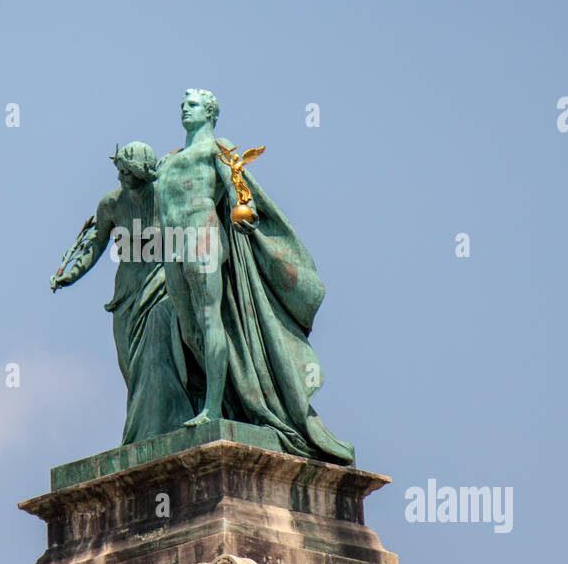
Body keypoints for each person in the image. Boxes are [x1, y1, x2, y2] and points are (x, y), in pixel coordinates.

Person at [155, 89, 354, 465]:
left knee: (210, 319)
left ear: (211, 113)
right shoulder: (169, 159)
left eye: (193, 104)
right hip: (170, 247)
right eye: (182, 103)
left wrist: (245, 213)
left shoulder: (217, 148)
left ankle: (213, 410)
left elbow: (237, 191)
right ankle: (219, 397)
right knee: (187, 329)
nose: (185, 107)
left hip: (202, 238)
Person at [50, 142, 192, 444]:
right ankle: (145, 429)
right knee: (130, 364)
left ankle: (168, 426)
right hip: (127, 291)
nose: (122, 178)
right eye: (120, 171)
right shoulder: (111, 204)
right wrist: (72, 275)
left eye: (128, 172)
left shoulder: (164, 196)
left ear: (145, 172)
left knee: (156, 354)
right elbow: (95, 246)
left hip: (161, 281)